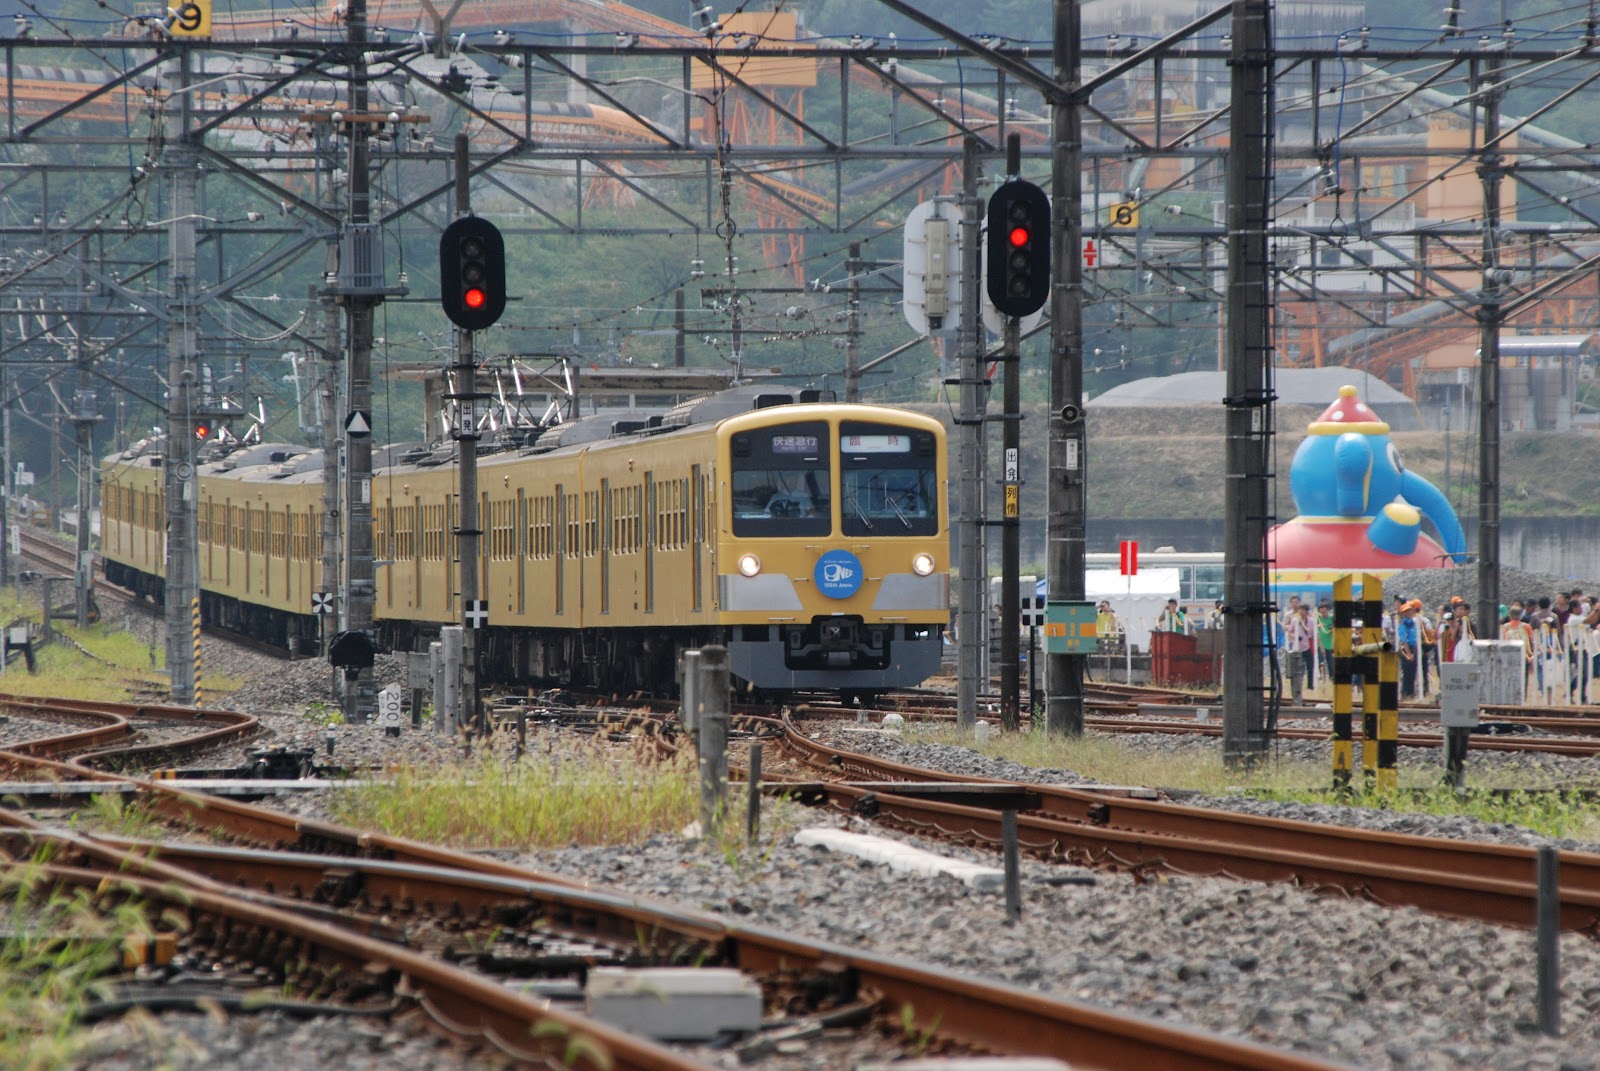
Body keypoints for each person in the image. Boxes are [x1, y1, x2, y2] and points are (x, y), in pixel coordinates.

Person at [1282, 601, 1315, 703]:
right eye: (1300, 610)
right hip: (1297, 648)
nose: (1301, 612)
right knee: (1296, 669)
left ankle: (1310, 684)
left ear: (1306, 611)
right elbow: (1290, 632)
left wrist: (1303, 626)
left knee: (1310, 666)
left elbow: (1312, 633)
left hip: (1307, 647)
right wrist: (1295, 637)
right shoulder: (1295, 620)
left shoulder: (1311, 621)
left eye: (1303, 610)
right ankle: (1297, 686)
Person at [1396, 600, 1421, 700]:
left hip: (1414, 647)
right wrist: (1409, 653)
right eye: (1406, 611)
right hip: (1407, 649)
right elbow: (1404, 640)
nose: (1409, 613)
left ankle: (1411, 692)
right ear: (1403, 613)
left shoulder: (1413, 624)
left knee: (1413, 671)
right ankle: (1405, 692)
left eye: (1410, 611)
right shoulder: (1403, 625)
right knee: (1407, 671)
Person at [1316, 601, 1335, 684]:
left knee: (1331, 664)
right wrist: (1321, 647)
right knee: (1320, 662)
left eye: (1324, 608)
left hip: (1330, 645)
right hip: (1320, 645)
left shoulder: (1332, 618)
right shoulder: (1318, 619)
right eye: (1320, 608)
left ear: (1328, 609)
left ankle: (1332, 678)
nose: (1322, 610)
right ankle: (1320, 678)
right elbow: (1316, 632)